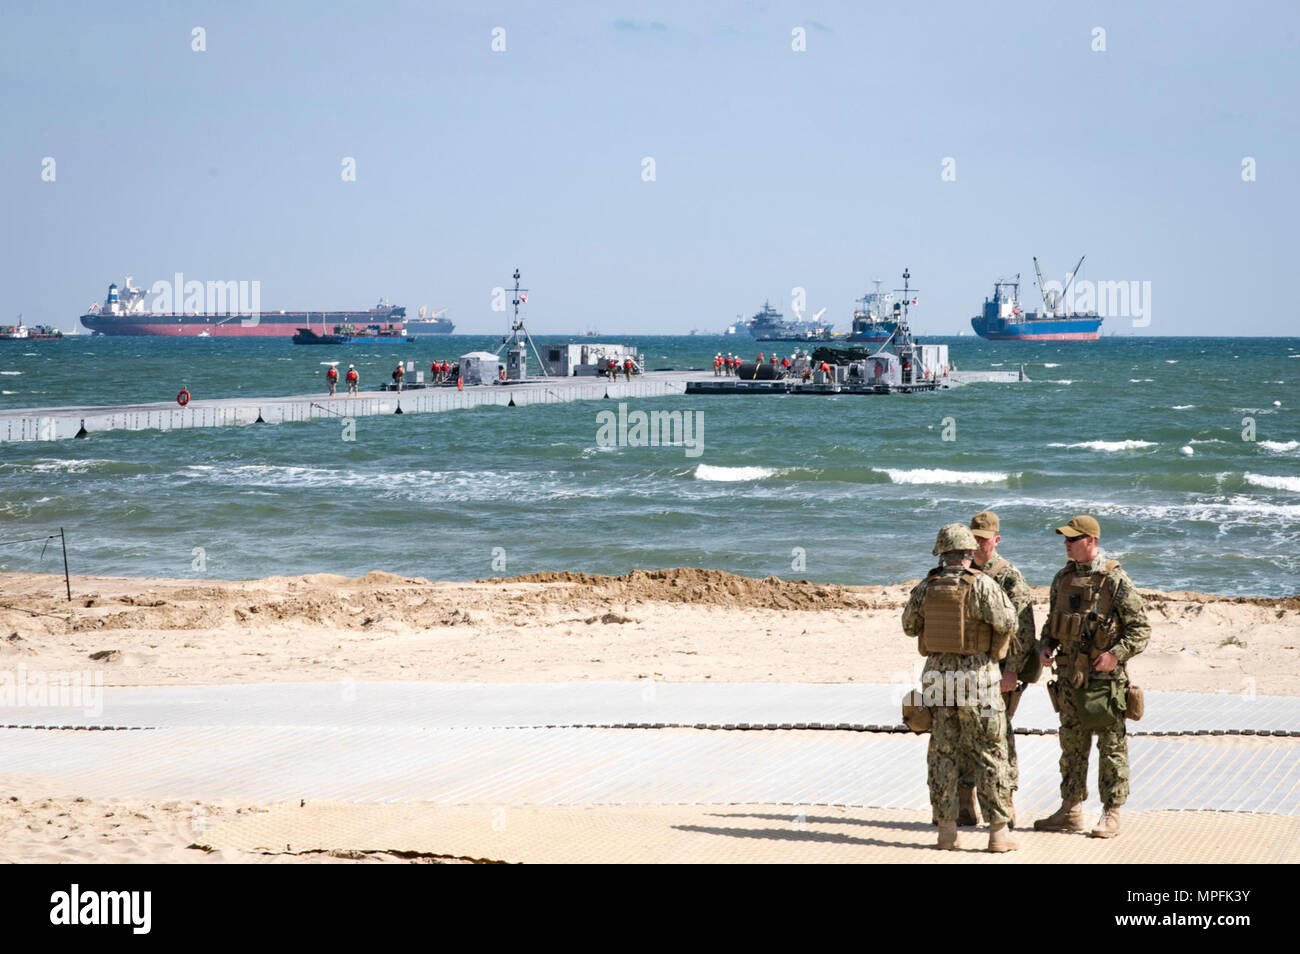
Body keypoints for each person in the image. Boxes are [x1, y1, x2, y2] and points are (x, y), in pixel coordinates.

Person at [902, 524, 1019, 852]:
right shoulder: (984, 584)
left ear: (941, 553)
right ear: (969, 553)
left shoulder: (927, 586)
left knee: (943, 754)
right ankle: (998, 833)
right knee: (990, 754)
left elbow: (909, 626)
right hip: (979, 683)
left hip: (939, 683)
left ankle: (947, 832)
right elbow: (1009, 622)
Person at [1033, 515, 1150, 839]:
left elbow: (1141, 630)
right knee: (1071, 746)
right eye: (1065, 539)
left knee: (1111, 748)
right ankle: (1070, 810)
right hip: (1070, 679)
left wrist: (1115, 655)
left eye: (1073, 538)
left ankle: (1111, 812)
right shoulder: (1063, 578)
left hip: (1104, 684)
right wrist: (1046, 646)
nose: (1066, 543)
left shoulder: (1113, 580)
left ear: (1091, 541)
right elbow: (1053, 622)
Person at [953, 510, 1037, 827]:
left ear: (996, 540)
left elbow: (1023, 630)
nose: (976, 545)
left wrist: (1012, 671)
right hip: (965, 669)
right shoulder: (958, 573)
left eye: (983, 539)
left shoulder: (1008, 577)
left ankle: (1006, 801)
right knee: (962, 734)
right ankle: (965, 801)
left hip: (998, 672)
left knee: (999, 736)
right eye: (972, 538)